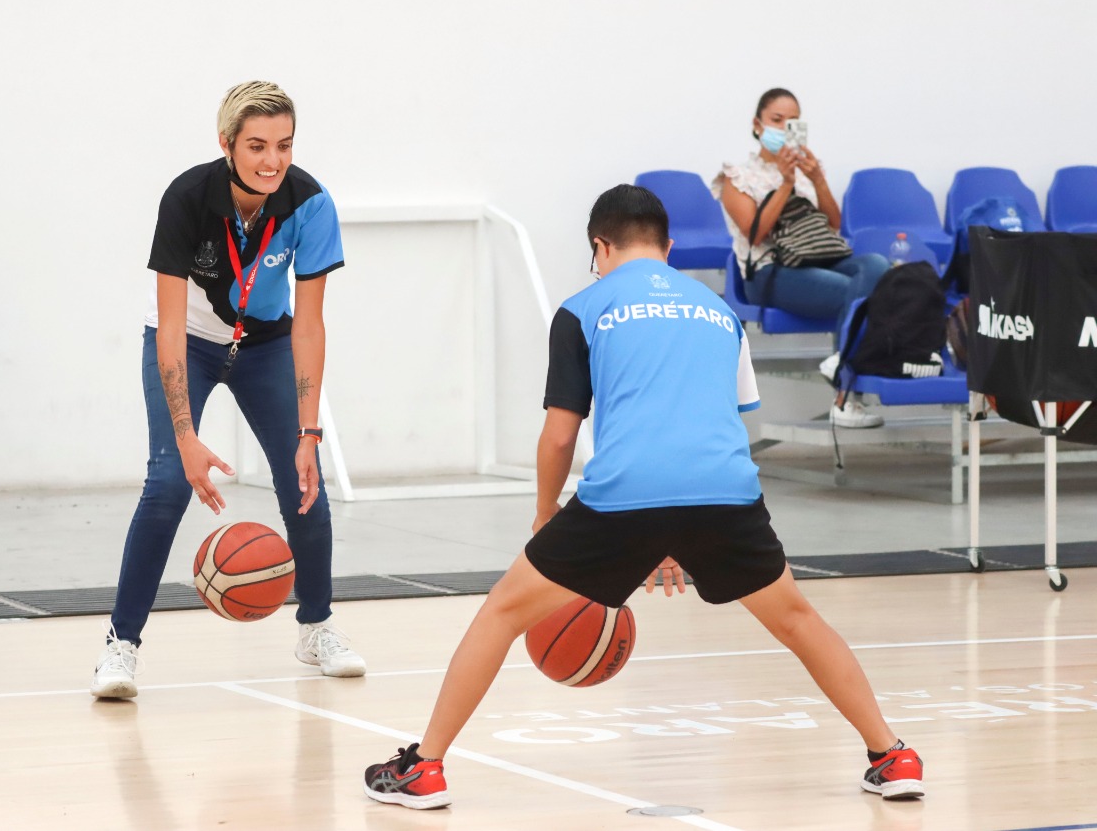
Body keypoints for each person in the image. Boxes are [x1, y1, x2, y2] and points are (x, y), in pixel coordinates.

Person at [363, 185, 925, 809]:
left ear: (598, 248)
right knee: (798, 621)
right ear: (669, 246)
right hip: (725, 489)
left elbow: (559, 437)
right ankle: (892, 755)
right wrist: (677, 535)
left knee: (501, 613)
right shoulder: (720, 312)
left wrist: (547, 515)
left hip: (626, 494)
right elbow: (719, 418)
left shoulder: (582, 309)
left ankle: (425, 768)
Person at [91, 81, 366, 698]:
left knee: (304, 480)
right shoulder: (188, 197)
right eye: (257, 146)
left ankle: (316, 627)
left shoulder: (310, 203)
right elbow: (168, 326)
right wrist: (186, 437)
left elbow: (310, 325)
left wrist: (309, 431)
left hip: (266, 346)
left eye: (284, 145)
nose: (273, 160)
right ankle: (120, 645)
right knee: (167, 481)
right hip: (187, 341)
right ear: (227, 144)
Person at [712, 88, 890, 428]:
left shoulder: (806, 176)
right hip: (768, 271)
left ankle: (841, 363)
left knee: (877, 266)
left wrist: (817, 179)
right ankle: (845, 397)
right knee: (854, 294)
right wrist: (784, 184)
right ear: (758, 125)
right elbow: (755, 234)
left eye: (792, 121)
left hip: (816, 258)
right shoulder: (736, 177)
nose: (784, 128)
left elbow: (834, 226)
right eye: (777, 120)